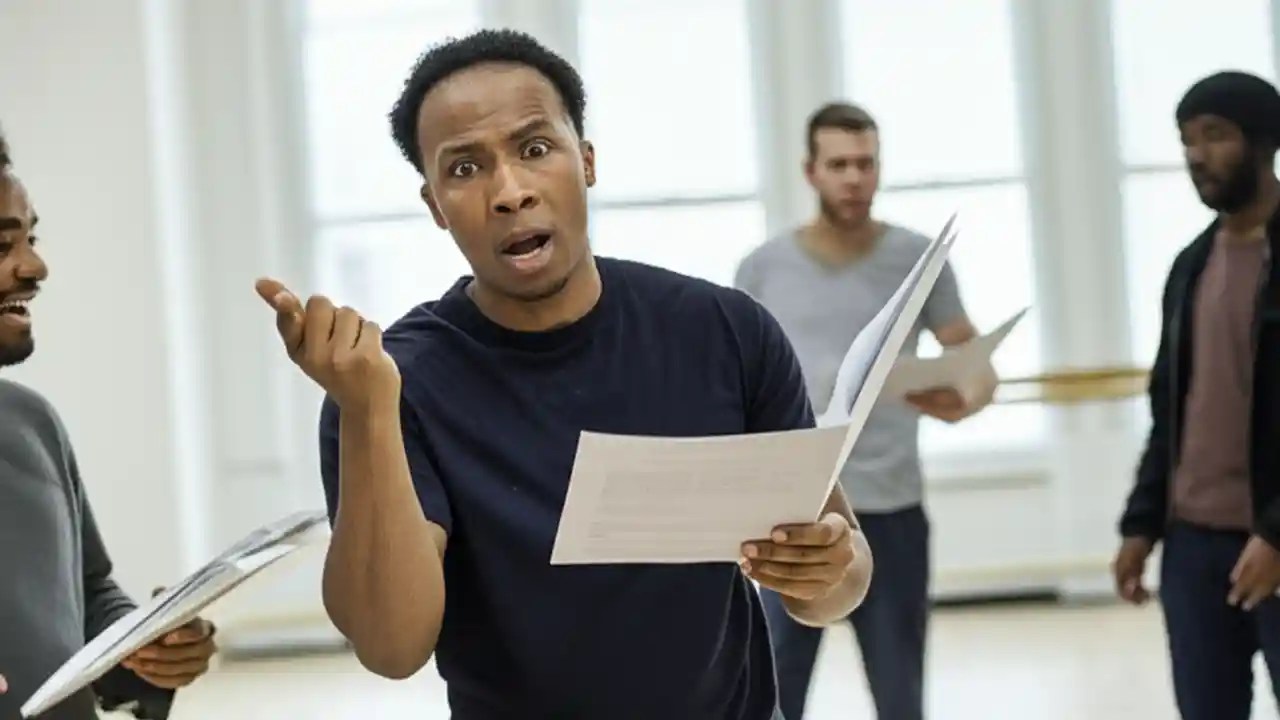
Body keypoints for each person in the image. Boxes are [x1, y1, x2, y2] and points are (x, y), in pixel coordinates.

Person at [256, 28, 873, 720]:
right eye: (464, 169)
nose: (510, 191)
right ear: (434, 205)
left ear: (585, 162)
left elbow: (836, 582)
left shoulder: (726, 330)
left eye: (534, 148)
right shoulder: (394, 384)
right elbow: (391, 647)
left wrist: (826, 570)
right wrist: (369, 411)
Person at [734, 102, 996, 720]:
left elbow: (974, 360)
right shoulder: (762, 268)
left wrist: (967, 399)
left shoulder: (917, 257)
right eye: (840, 164)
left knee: (900, 694)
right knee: (773, 693)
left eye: (866, 163)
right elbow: (735, 383)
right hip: (792, 517)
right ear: (811, 171)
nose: (854, 177)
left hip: (894, 509)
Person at [0, 127, 218, 719]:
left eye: (31, 238)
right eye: (2, 247)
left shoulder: (32, 421)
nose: (35, 266)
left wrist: (145, 646)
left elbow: (90, 598)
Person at [1112, 70, 1280, 720]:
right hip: (1194, 549)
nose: (1196, 156)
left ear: (1263, 142)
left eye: (1214, 136)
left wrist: (1275, 531)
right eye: (1186, 140)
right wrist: (1141, 525)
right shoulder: (1189, 266)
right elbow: (1170, 412)